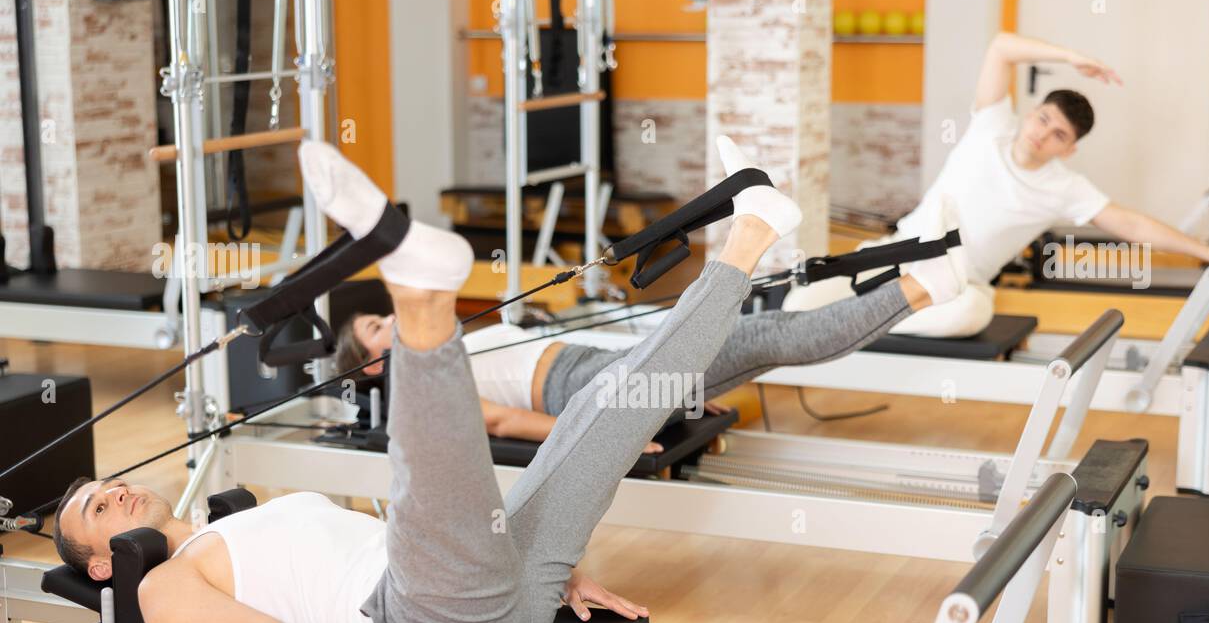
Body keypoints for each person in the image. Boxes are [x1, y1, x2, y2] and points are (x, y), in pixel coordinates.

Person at [49, 137, 965, 623]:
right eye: (96, 505)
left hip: (514, 583)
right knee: (426, 481)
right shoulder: (166, 587)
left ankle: (752, 233)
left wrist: (551, 565)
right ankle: (418, 296)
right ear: (100, 563)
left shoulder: (227, 519)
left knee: (621, 400)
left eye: (103, 481)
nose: (115, 489)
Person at [331, 209, 969, 449]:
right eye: (374, 328)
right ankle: (928, 287)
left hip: (602, 376)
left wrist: (674, 393)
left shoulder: (441, 351)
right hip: (592, 397)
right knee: (766, 338)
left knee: (757, 343)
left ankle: (924, 285)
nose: (387, 319)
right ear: (373, 365)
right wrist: (610, 434)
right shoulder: (424, 386)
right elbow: (497, 423)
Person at [783, 31, 1209, 337]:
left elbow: (1130, 224)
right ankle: (871, 315)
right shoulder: (991, 126)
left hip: (954, 291)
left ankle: (866, 321)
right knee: (798, 305)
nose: (1043, 134)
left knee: (972, 314)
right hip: (893, 260)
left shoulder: (1065, 186)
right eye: (1043, 119)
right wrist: (1071, 58)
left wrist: (1203, 251)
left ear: (1068, 149)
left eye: (1058, 134)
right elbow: (1002, 46)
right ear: (1032, 112)